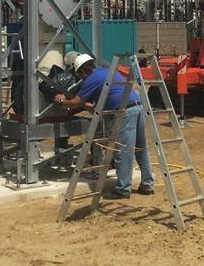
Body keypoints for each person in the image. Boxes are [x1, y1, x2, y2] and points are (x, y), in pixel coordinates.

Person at [54, 55, 154, 199]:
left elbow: (75, 102)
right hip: (137, 107)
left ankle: (123, 189)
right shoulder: (106, 72)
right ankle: (147, 184)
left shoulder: (90, 79)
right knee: (140, 148)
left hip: (123, 112)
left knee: (123, 151)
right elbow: (102, 103)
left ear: (82, 71)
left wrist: (62, 100)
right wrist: (87, 105)